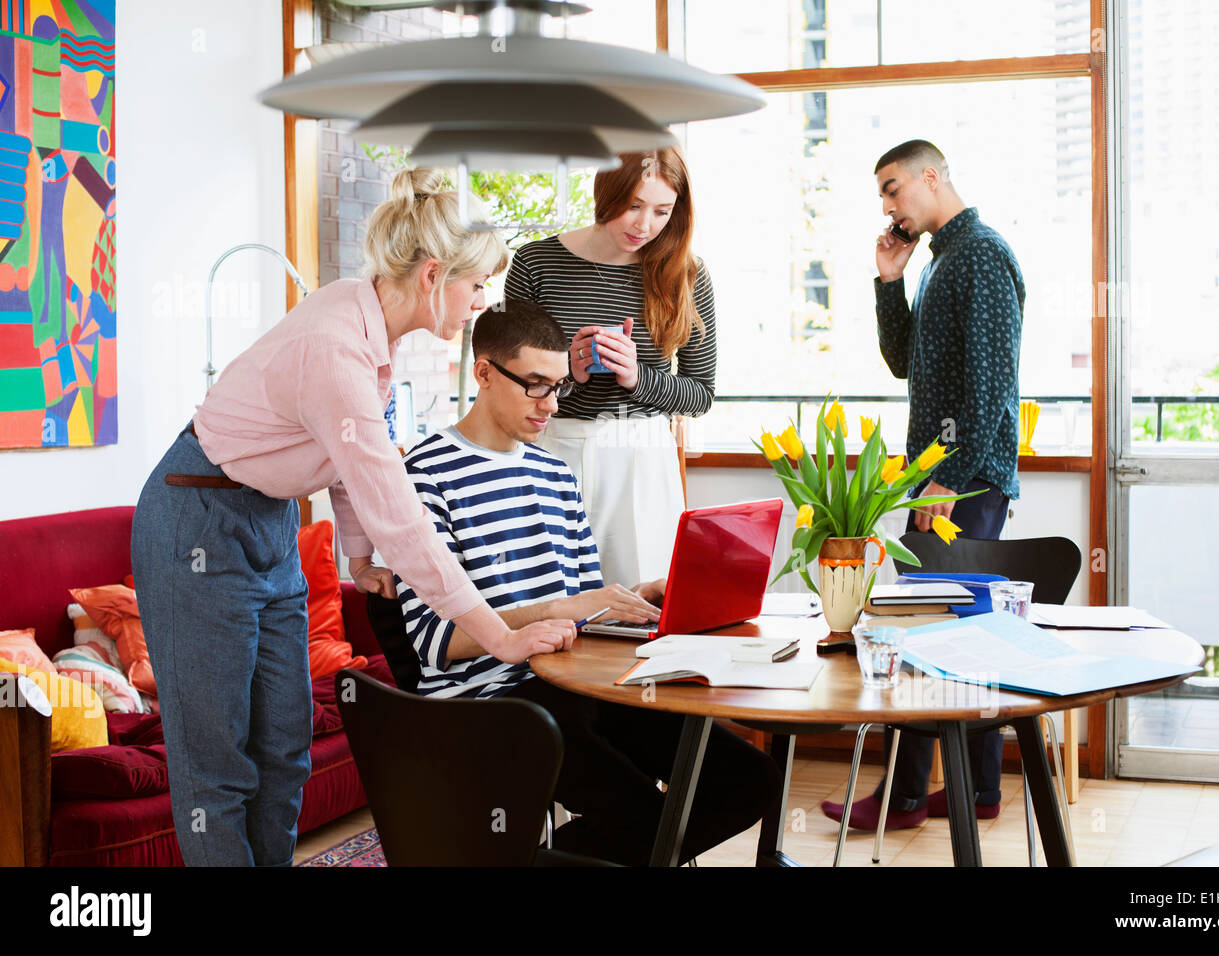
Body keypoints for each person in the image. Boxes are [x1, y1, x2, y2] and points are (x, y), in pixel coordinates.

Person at [131, 172, 576, 867]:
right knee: (217, 761)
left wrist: (360, 557)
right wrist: (499, 638)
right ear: (434, 275)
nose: (484, 302)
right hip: (197, 515)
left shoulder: (369, 323)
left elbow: (341, 451)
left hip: (270, 519)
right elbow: (399, 509)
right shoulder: (336, 345)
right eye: (478, 285)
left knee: (283, 742)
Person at [395, 299, 780, 865]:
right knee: (645, 813)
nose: (551, 404)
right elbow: (436, 642)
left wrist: (627, 599)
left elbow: (581, 608)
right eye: (535, 386)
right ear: (483, 372)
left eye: (556, 386)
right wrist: (571, 605)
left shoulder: (555, 473)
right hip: (491, 704)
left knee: (748, 778)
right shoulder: (424, 476)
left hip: (574, 687)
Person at [822, 139, 1026, 833]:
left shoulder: (983, 255)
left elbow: (991, 384)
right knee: (955, 633)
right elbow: (904, 361)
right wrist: (889, 279)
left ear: (930, 175)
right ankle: (974, 793)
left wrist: (946, 478)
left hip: (960, 482)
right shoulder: (942, 260)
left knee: (924, 633)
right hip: (944, 477)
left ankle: (907, 798)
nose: (887, 206)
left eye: (892, 188)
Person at [503, 147, 716, 589]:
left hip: (642, 457)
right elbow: (511, 385)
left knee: (644, 606)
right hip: (555, 449)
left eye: (662, 211)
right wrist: (569, 377)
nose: (645, 225)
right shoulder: (535, 264)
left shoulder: (686, 273)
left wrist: (638, 377)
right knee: (555, 600)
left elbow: (701, 394)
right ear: (606, 191)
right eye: (633, 206)